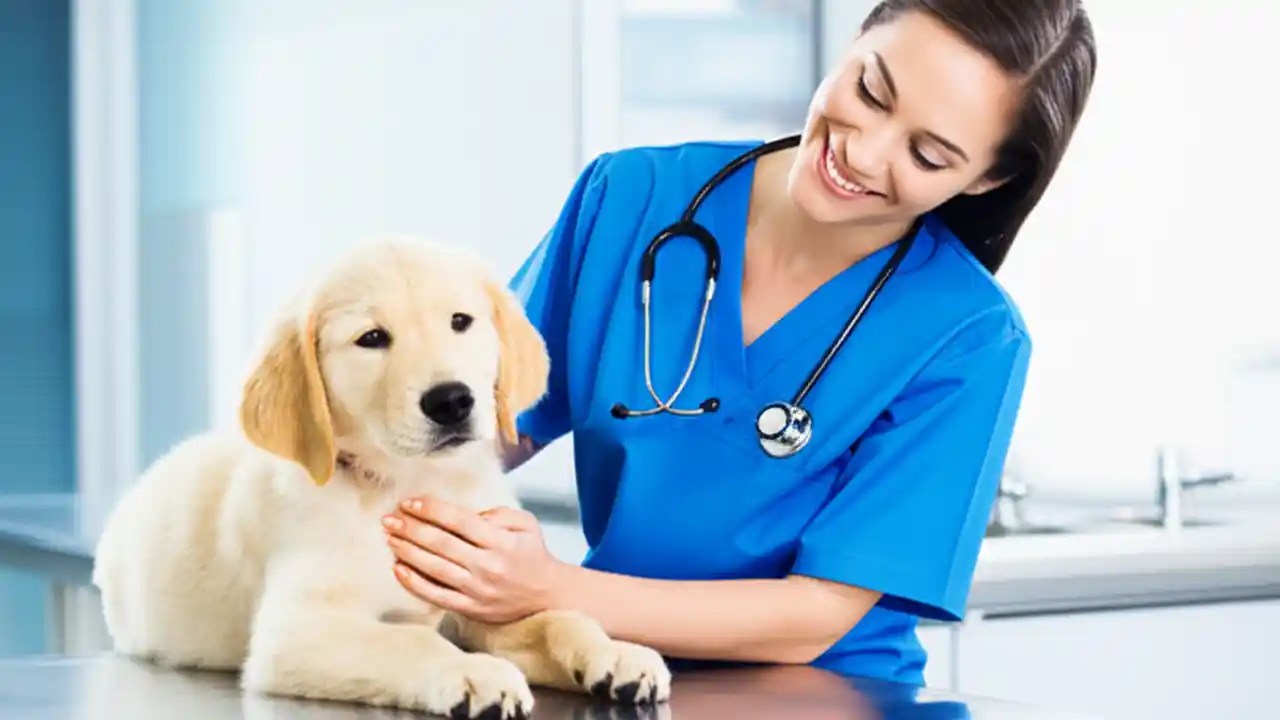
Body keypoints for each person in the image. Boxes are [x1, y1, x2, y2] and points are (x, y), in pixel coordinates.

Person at [382, 0, 1097, 686]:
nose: (863, 151)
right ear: (857, 39)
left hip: (825, 698)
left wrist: (547, 588)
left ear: (989, 178)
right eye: (871, 91)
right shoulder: (630, 198)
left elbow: (812, 618)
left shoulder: (968, 336)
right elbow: (480, 423)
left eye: (929, 155)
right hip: (609, 671)